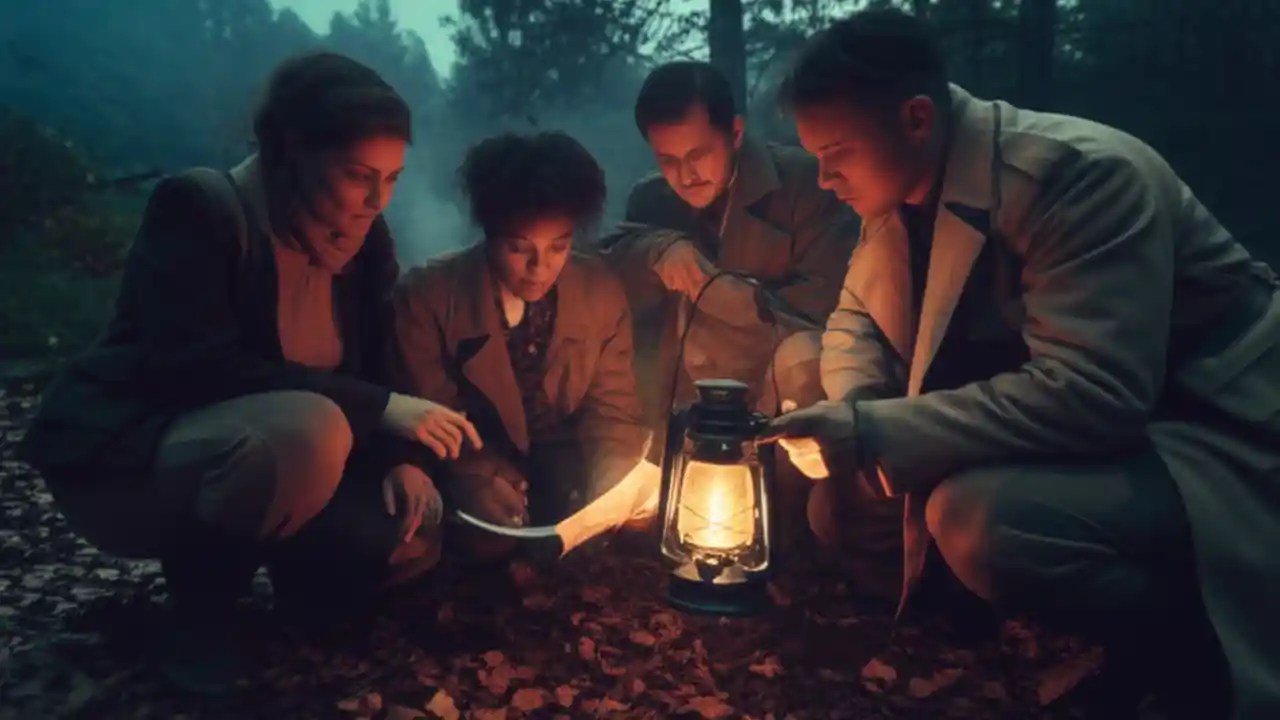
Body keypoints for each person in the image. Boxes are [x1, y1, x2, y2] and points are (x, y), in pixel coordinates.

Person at [767, 10, 1280, 719]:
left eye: (836, 153)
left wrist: (876, 431)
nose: (824, 179)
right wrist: (857, 410)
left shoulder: (1076, 177)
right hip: (1078, 427)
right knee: (839, 499)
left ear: (916, 118)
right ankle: (961, 608)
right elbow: (856, 320)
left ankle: (1189, 646)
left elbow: (1095, 393)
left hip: (1210, 427)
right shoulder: (898, 184)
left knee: (983, 524)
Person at [20, 52, 480, 693]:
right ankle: (200, 621)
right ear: (294, 154)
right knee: (306, 431)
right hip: (140, 459)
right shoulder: (203, 209)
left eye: (392, 178)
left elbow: (379, 363)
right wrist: (379, 409)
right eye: (358, 176)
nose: (378, 200)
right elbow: (192, 366)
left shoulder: (364, 241)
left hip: (273, 455)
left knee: (403, 537)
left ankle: (299, 584)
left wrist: (403, 459)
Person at [600, 61, 895, 587]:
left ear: (735, 133)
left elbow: (831, 310)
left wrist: (719, 292)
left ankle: (802, 530)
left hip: (779, 390)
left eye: (699, 154)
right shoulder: (653, 199)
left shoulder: (807, 184)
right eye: (668, 159)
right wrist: (658, 247)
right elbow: (609, 262)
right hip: (689, 396)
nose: (685, 174)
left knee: (808, 355)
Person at [392, 131, 651, 561]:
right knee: (487, 539)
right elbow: (435, 411)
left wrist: (613, 483)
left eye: (559, 247)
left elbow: (613, 411)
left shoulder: (600, 291)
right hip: (474, 464)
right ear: (490, 234)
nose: (539, 268)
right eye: (518, 248)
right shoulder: (428, 297)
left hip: (566, 464)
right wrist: (479, 476)